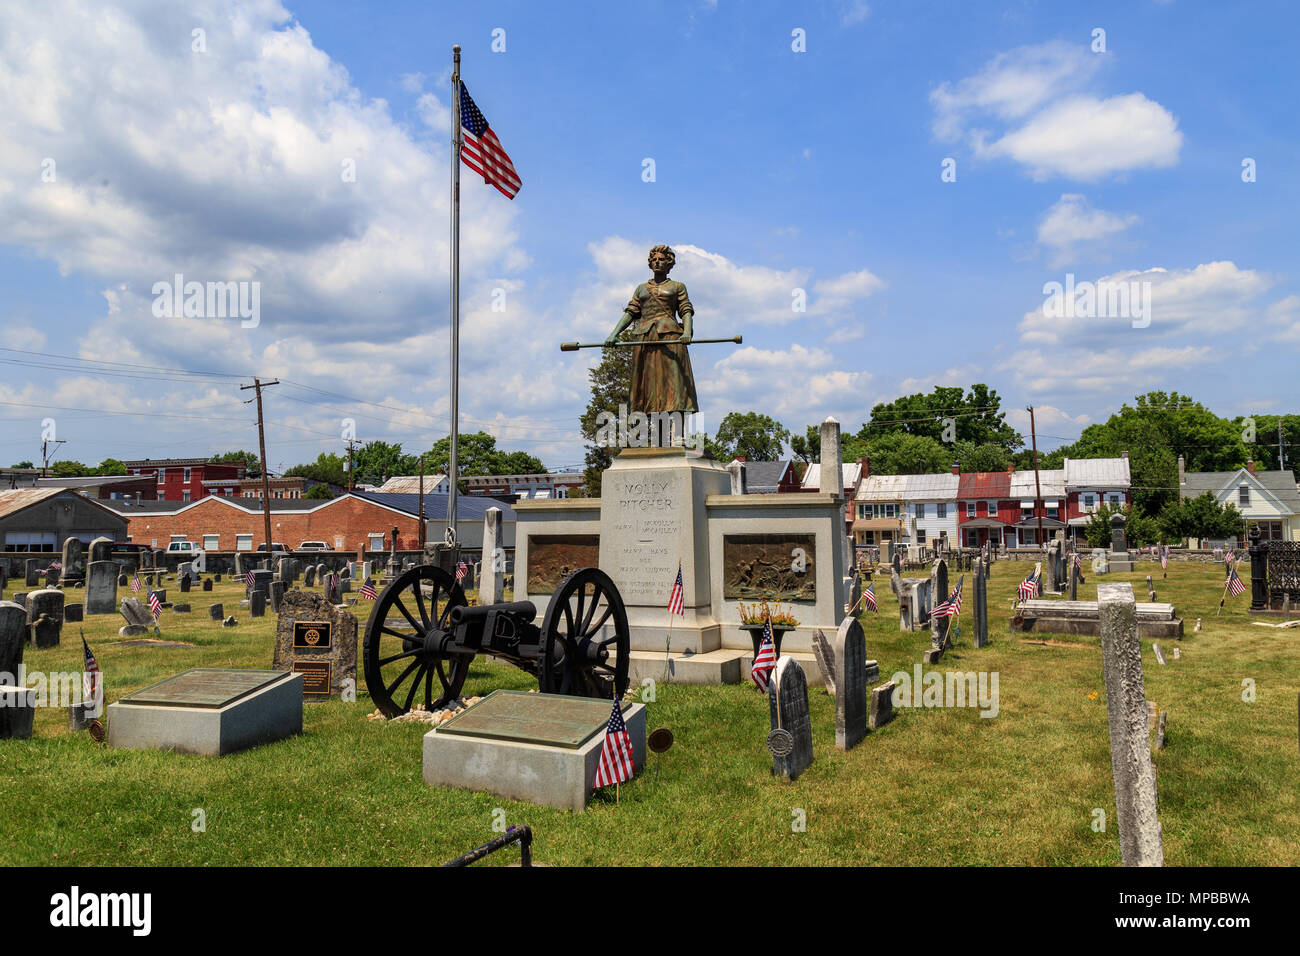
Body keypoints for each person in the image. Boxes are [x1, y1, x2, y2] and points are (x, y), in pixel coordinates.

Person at [605, 244, 699, 414]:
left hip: (670, 337)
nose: (657, 262)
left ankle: (677, 433)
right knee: (647, 385)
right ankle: (655, 430)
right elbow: (631, 312)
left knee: (674, 383)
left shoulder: (677, 286)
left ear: (669, 263)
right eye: (654, 260)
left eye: (661, 259)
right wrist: (613, 334)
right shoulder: (641, 288)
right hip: (644, 338)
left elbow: (685, 310)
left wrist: (686, 331)